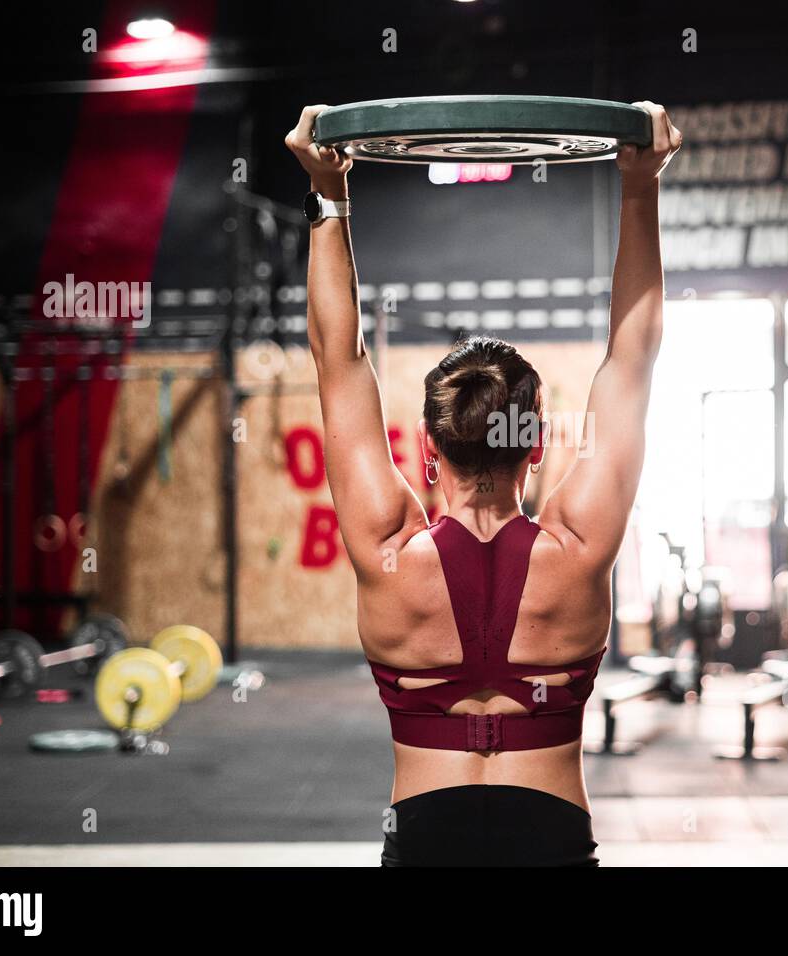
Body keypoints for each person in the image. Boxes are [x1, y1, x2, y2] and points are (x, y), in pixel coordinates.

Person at [284, 101, 682, 866]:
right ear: (533, 443)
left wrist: (329, 195)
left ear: (427, 448)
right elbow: (632, 355)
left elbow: (338, 361)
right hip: (552, 838)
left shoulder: (389, 552)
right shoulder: (579, 545)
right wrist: (640, 186)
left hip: (427, 838)